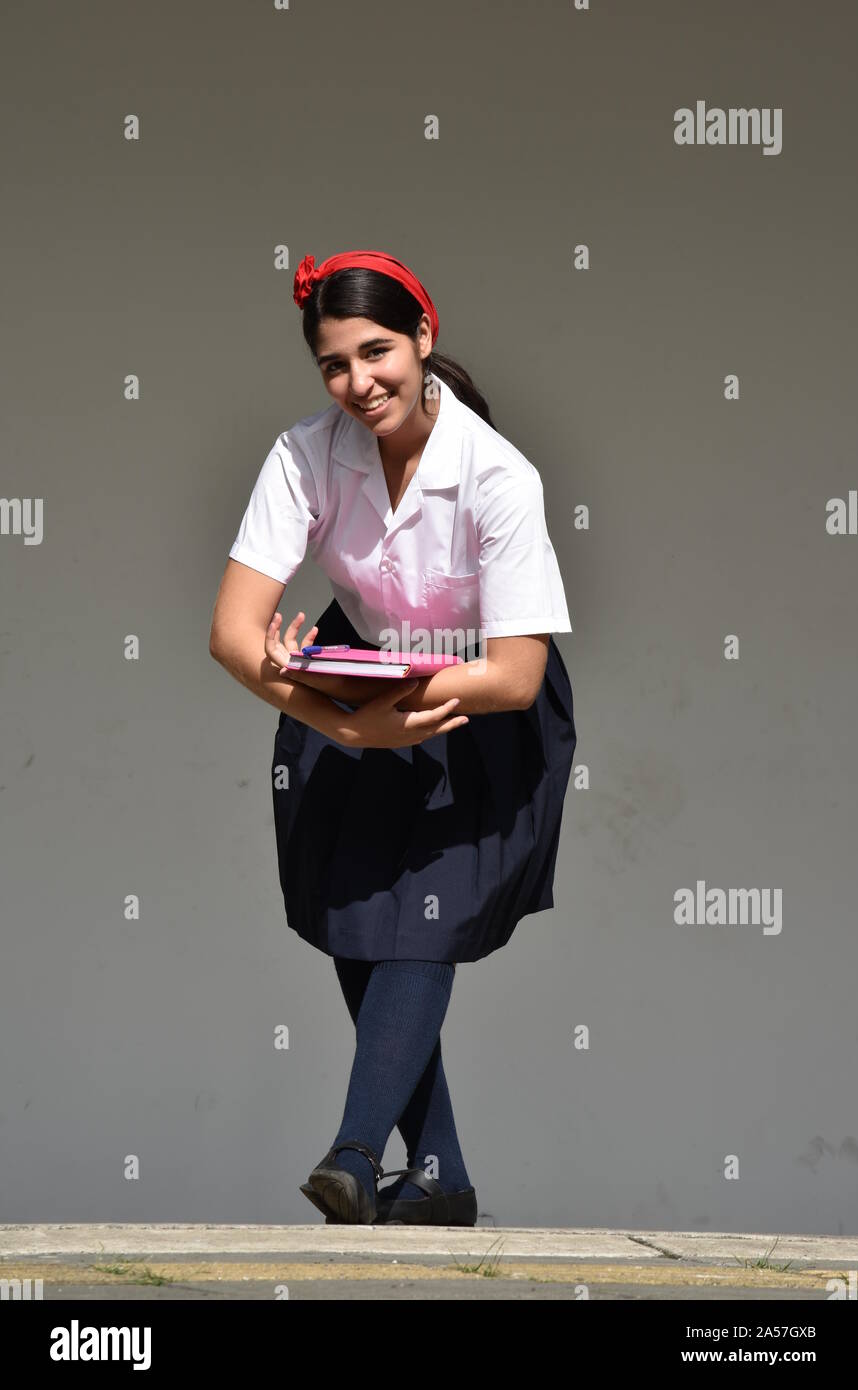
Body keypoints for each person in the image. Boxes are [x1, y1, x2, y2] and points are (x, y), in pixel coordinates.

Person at [209, 249, 577, 1226]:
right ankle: (442, 1178)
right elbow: (231, 634)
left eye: (376, 351)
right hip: (353, 683)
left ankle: (353, 1152)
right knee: (358, 918)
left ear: (423, 336)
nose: (357, 382)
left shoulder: (498, 475)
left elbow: (517, 670)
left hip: (478, 701)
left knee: (425, 917)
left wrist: (395, 709)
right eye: (333, 364)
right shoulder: (302, 455)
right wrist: (332, 713)